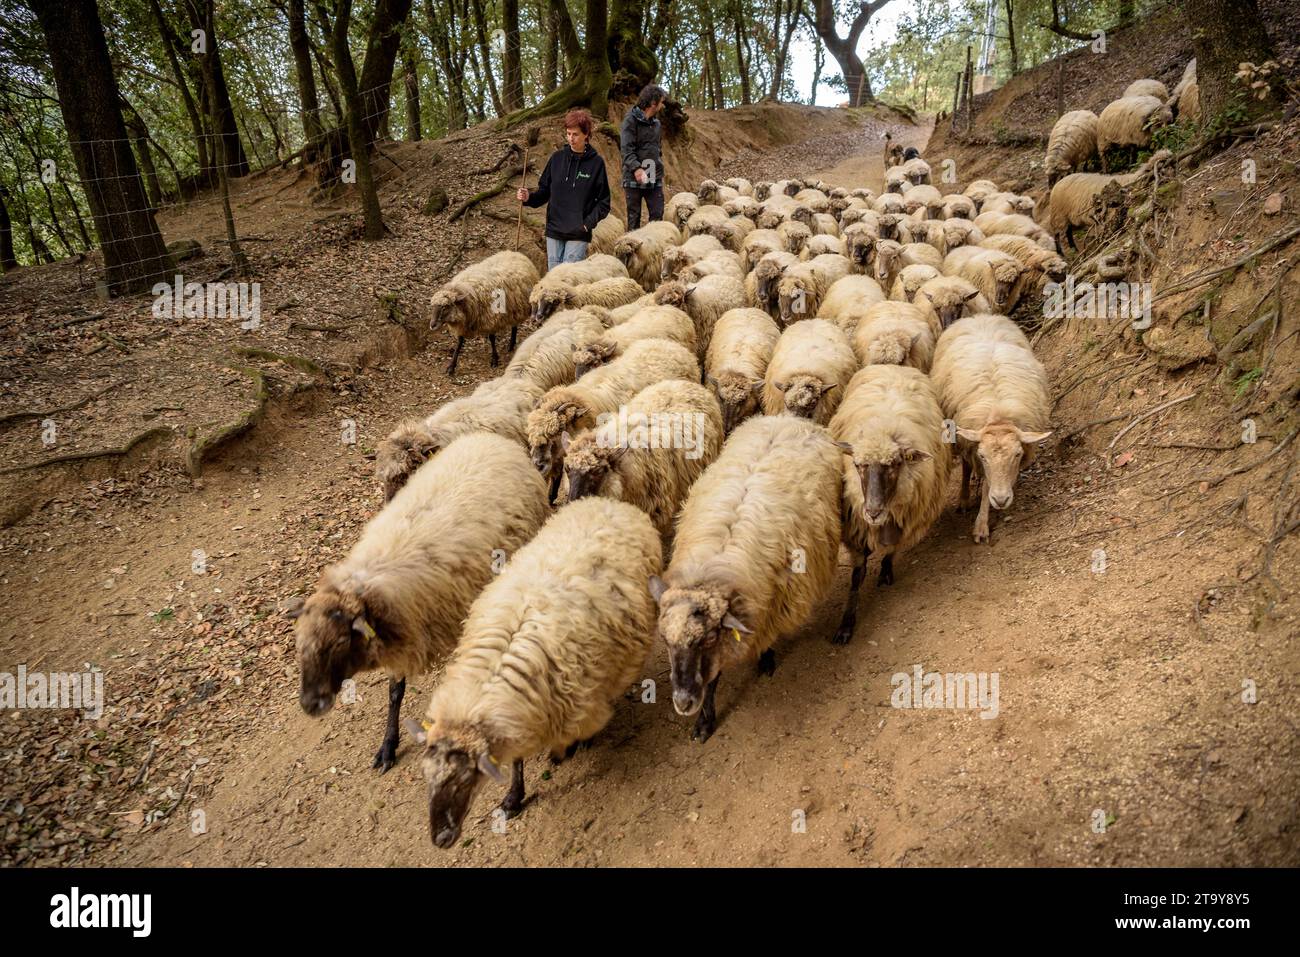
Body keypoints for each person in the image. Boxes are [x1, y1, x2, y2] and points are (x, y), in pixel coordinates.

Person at [517, 108, 611, 271]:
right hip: (554, 230)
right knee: (553, 279)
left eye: (575, 134)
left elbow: (604, 203)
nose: (571, 139)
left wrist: (587, 224)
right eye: (568, 134)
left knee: (568, 279)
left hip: (578, 232)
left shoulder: (596, 164)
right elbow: (544, 192)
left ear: (586, 134)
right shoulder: (556, 159)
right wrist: (528, 198)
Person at [620, 84, 666, 230]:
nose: (662, 105)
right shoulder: (630, 120)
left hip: (653, 173)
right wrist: (636, 168)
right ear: (653, 103)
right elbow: (627, 149)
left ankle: (655, 248)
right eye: (661, 102)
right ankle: (632, 250)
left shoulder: (657, 123)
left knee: (657, 214)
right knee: (634, 217)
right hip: (634, 175)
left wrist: (658, 164)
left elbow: (657, 148)